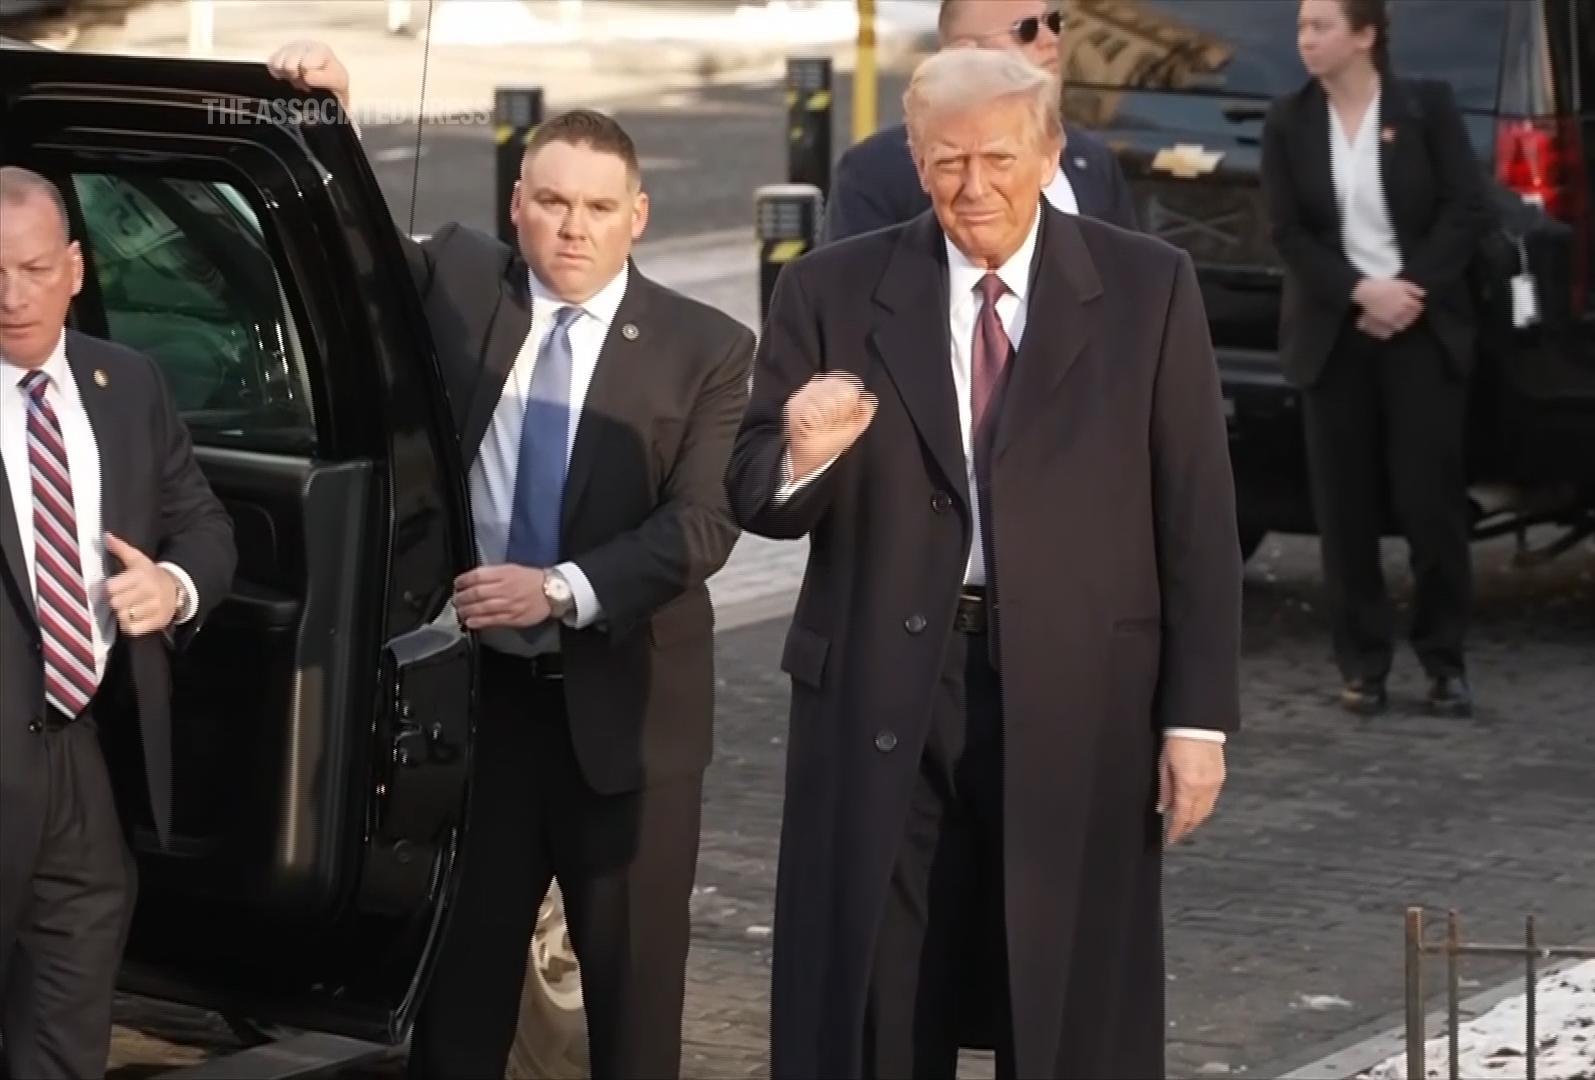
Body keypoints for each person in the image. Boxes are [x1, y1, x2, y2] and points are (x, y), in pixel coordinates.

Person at [729, 47, 1241, 1080]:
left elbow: (1195, 516)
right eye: (948, 161)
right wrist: (804, 454)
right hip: (881, 689)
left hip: (1080, 696)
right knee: (878, 989)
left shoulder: (1149, 290)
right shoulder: (834, 287)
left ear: (1050, 153)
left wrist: (1196, 720)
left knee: (1062, 998)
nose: (975, 186)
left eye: (1000, 158)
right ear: (915, 163)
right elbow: (751, 491)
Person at [268, 42, 756, 1080]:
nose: (572, 228)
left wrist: (562, 590)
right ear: (517, 203)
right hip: (483, 711)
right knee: (463, 998)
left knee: (632, 1007)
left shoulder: (706, 345)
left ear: (639, 215)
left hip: (628, 721)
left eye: (596, 207)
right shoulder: (458, 279)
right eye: (550, 202)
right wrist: (328, 114)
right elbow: (340, 244)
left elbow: (702, 528)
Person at [0, 166, 237, 1078]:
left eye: (31, 268)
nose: (13, 295)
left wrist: (175, 585)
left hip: (88, 761)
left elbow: (205, 522)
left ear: (73, 268)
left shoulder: (125, 382)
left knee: (66, 1028)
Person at [1259, 0, 1489, 718]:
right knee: (1344, 509)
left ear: (1365, 36)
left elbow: (1467, 209)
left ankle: (1444, 660)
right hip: (1335, 331)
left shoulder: (1425, 108)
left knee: (1430, 503)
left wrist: (1408, 291)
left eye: (1321, 26)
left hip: (1419, 327)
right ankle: (1362, 663)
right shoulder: (1288, 121)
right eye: (1301, 28)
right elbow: (1288, 233)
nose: (1306, 40)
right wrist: (1360, 292)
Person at [823, 0, 1138, 242]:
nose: (1050, 40)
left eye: (1053, 23)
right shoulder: (878, 170)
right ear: (964, 53)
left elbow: (1130, 286)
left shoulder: (1092, 160)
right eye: (1026, 30)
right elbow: (848, 300)